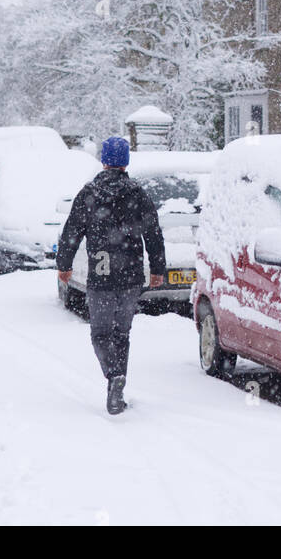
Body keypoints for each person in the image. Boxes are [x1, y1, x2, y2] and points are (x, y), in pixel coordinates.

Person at [56, 136, 166, 415]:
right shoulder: (137, 194)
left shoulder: (89, 193)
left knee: (100, 333)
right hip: (130, 276)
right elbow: (154, 233)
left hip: (101, 277)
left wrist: (64, 264)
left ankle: (112, 375)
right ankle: (118, 386)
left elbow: (71, 232)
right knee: (122, 333)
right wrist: (157, 269)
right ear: (126, 162)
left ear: (104, 161)